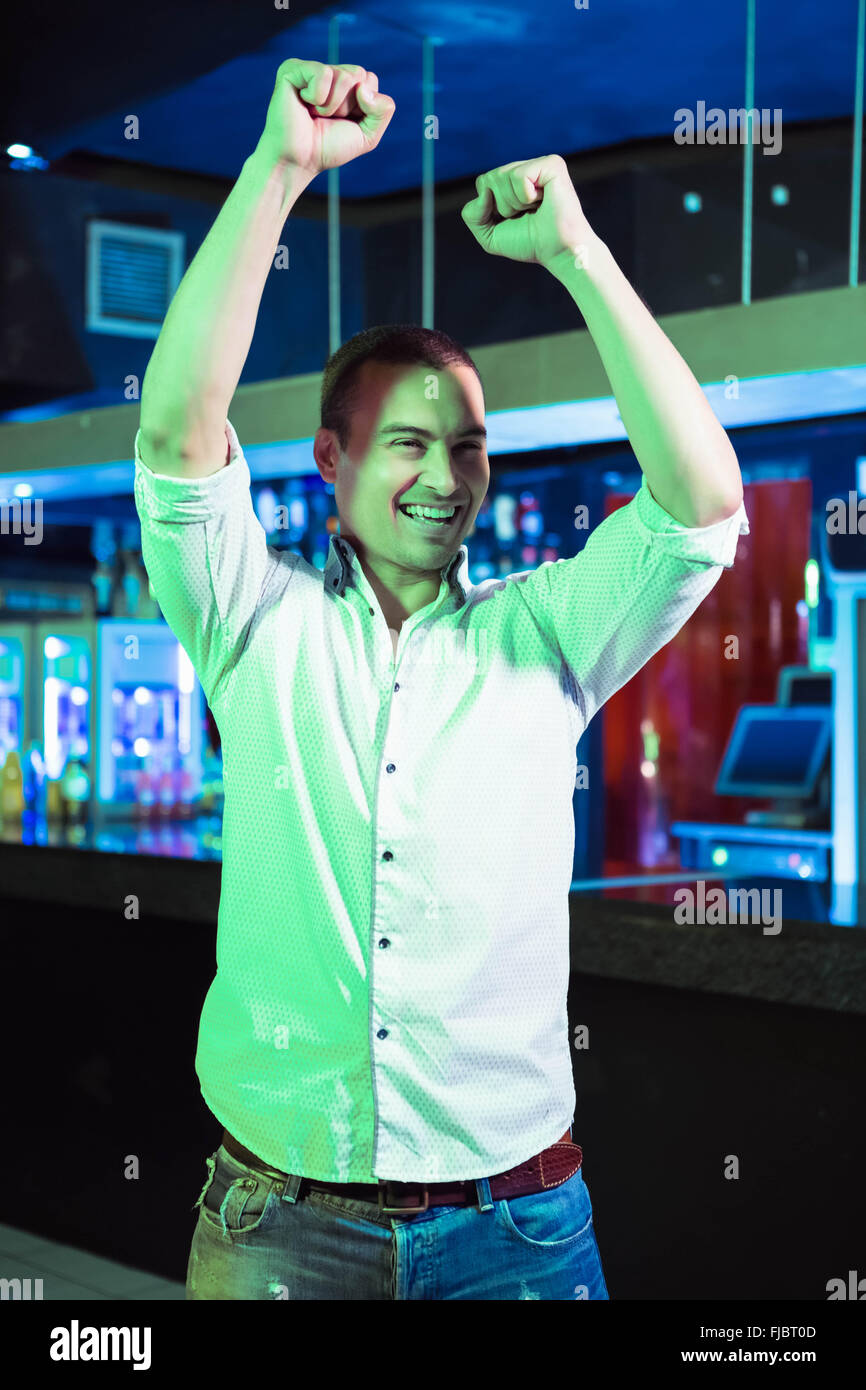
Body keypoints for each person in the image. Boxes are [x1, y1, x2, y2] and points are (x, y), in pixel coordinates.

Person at [134, 58, 749, 1301]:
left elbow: (700, 504)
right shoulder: (256, 621)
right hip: (277, 1224)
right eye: (407, 442)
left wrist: (577, 251)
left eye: (466, 447)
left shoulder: (549, 635)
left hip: (513, 1231)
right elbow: (175, 434)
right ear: (330, 460)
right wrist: (280, 171)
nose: (443, 477)